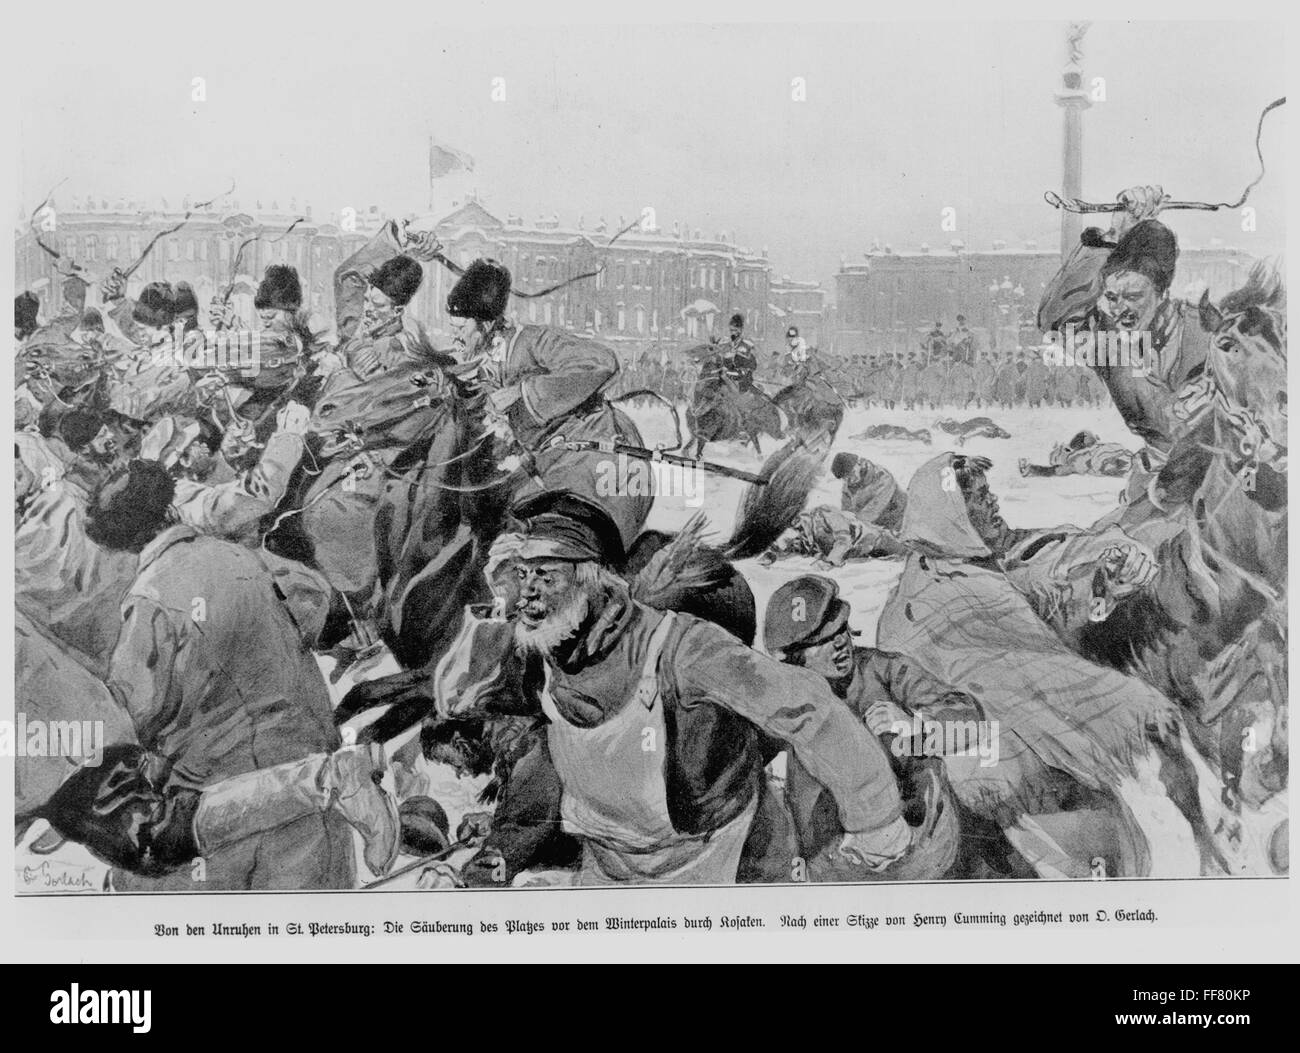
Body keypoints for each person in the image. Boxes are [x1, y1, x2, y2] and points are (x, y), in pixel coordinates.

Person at [437, 490, 916, 885]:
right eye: (522, 575)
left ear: (590, 578)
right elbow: (458, 699)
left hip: (723, 862)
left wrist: (875, 817)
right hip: (608, 866)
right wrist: (505, 849)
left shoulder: (682, 647)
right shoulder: (545, 646)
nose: (529, 592)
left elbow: (807, 706)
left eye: (545, 574)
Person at [876, 452, 1223, 877]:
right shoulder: (917, 602)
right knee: (1139, 717)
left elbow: (1029, 602)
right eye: (981, 499)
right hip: (993, 742)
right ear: (954, 519)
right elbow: (919, 674)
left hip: (1024, 714)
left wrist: (1103, 583)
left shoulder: (967, 567)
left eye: (989, 493)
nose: (994, 503)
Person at [89, 459, 355, 890]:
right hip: (312, 770)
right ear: (170, 506)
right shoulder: (239, 556)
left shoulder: (150, 597)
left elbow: (133, 715)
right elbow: (314, 605)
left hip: (231, 804)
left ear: (121, 542)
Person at [445, 258, 650, 548]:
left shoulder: (532, 341)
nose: (455, 335)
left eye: (461, 328)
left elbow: (601, 362)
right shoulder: (481, 358)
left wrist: (523, 391)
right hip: (540, 463)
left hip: (595, 459)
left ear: (488, 324)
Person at [38, 742, 399, 881]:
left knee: (173, 830)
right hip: (156, 828)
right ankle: (336, 774)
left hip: (163, 825)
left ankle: (339, 774)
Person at [1020, 431, 1135, 478]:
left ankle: (1031, 469)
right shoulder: (1080, 459)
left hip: (1098, 456)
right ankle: (1031, 469)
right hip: (1100, 456)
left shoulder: (1082, 459)